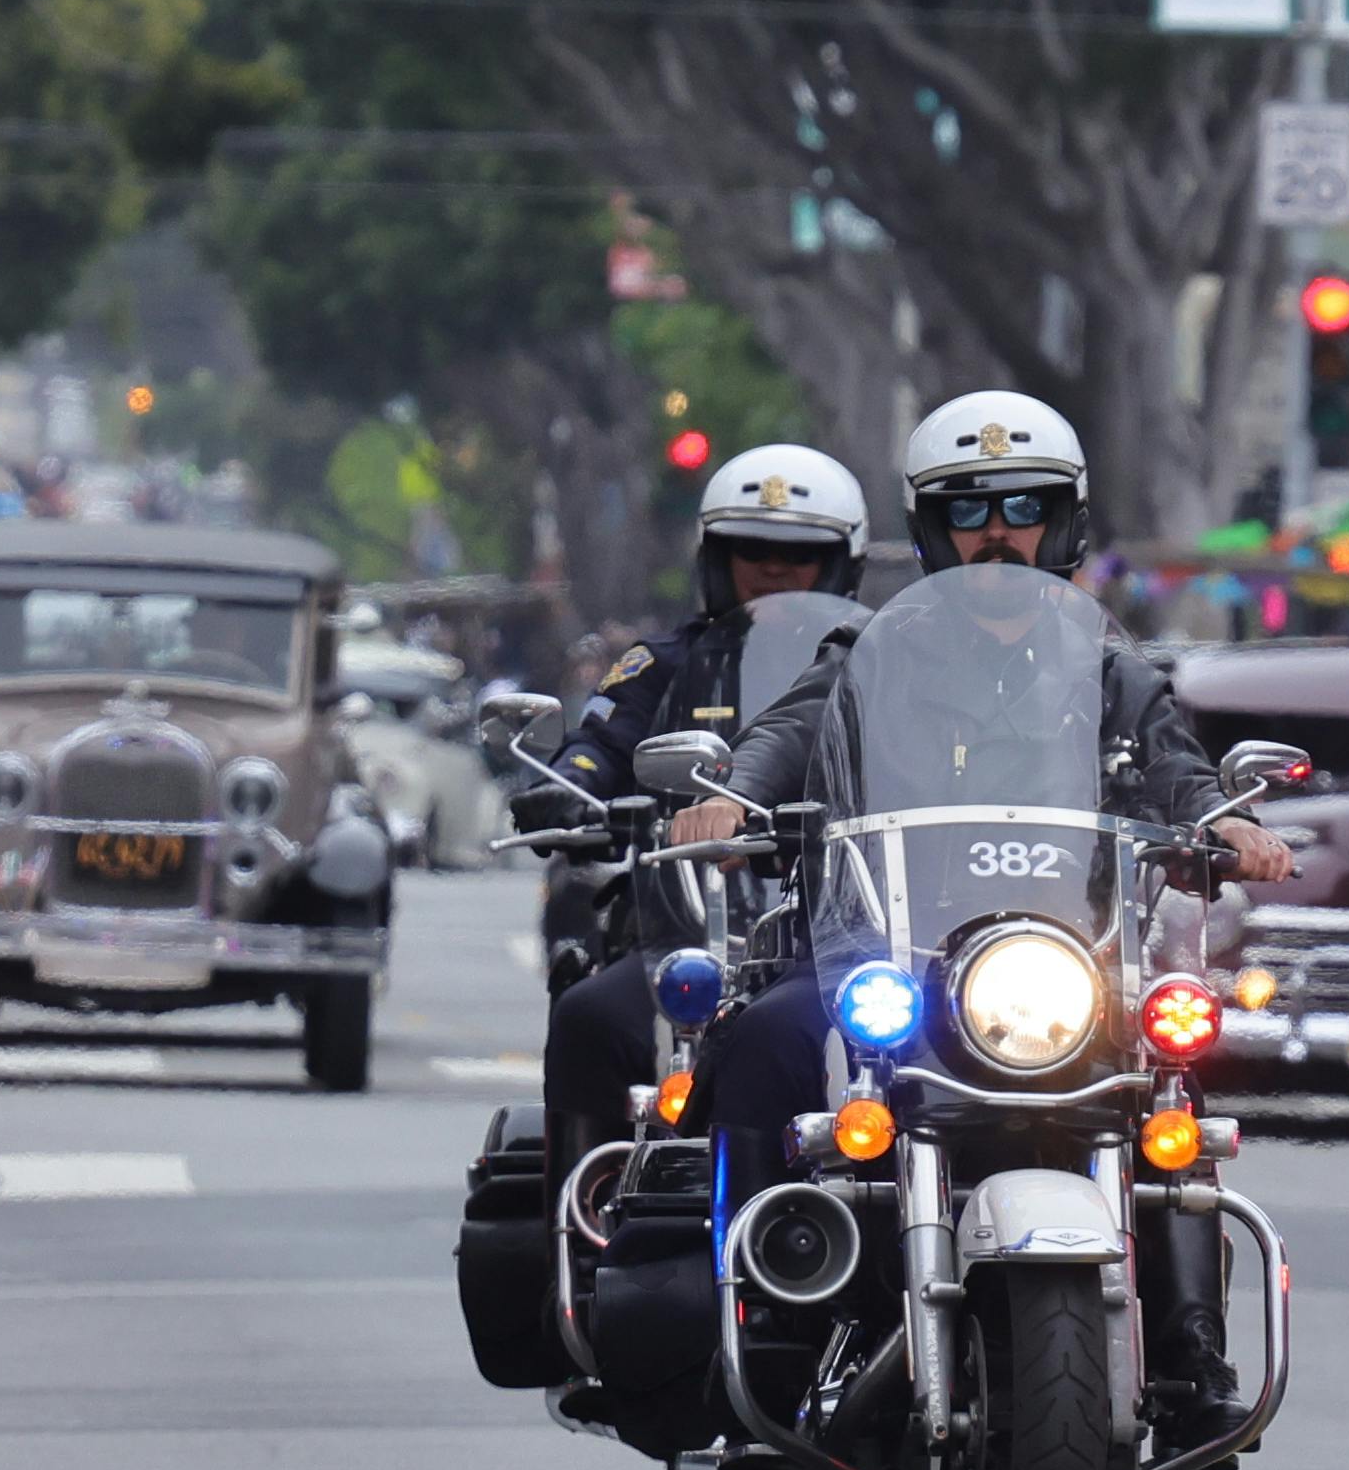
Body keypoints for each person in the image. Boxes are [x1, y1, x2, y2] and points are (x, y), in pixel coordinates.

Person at [659, 392, 1288, 1179]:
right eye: (967, 510)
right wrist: (733, 794)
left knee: (1168, 1090)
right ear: (932, 526)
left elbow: (1172, 763)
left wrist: (1222, 824)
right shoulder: (872, 650)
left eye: (1024, 507)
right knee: (763, 1037)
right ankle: (763, 1269)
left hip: (1071, 953)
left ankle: (1182, 1297)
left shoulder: (1105, 664)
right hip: (887, 945)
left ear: (1061, 521)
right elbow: (791, 729)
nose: (997, 532)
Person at [524, 438, 868, 1172]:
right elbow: (601, 744)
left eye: (799, 555)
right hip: (692, 928)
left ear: (841, 564)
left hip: (838, 933)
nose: (775, 569)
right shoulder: (667, 664)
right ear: (716, 556)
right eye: (753, 548)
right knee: (590, 1015)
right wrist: (569, 785)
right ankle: (582, 1239)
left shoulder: (881, 664)